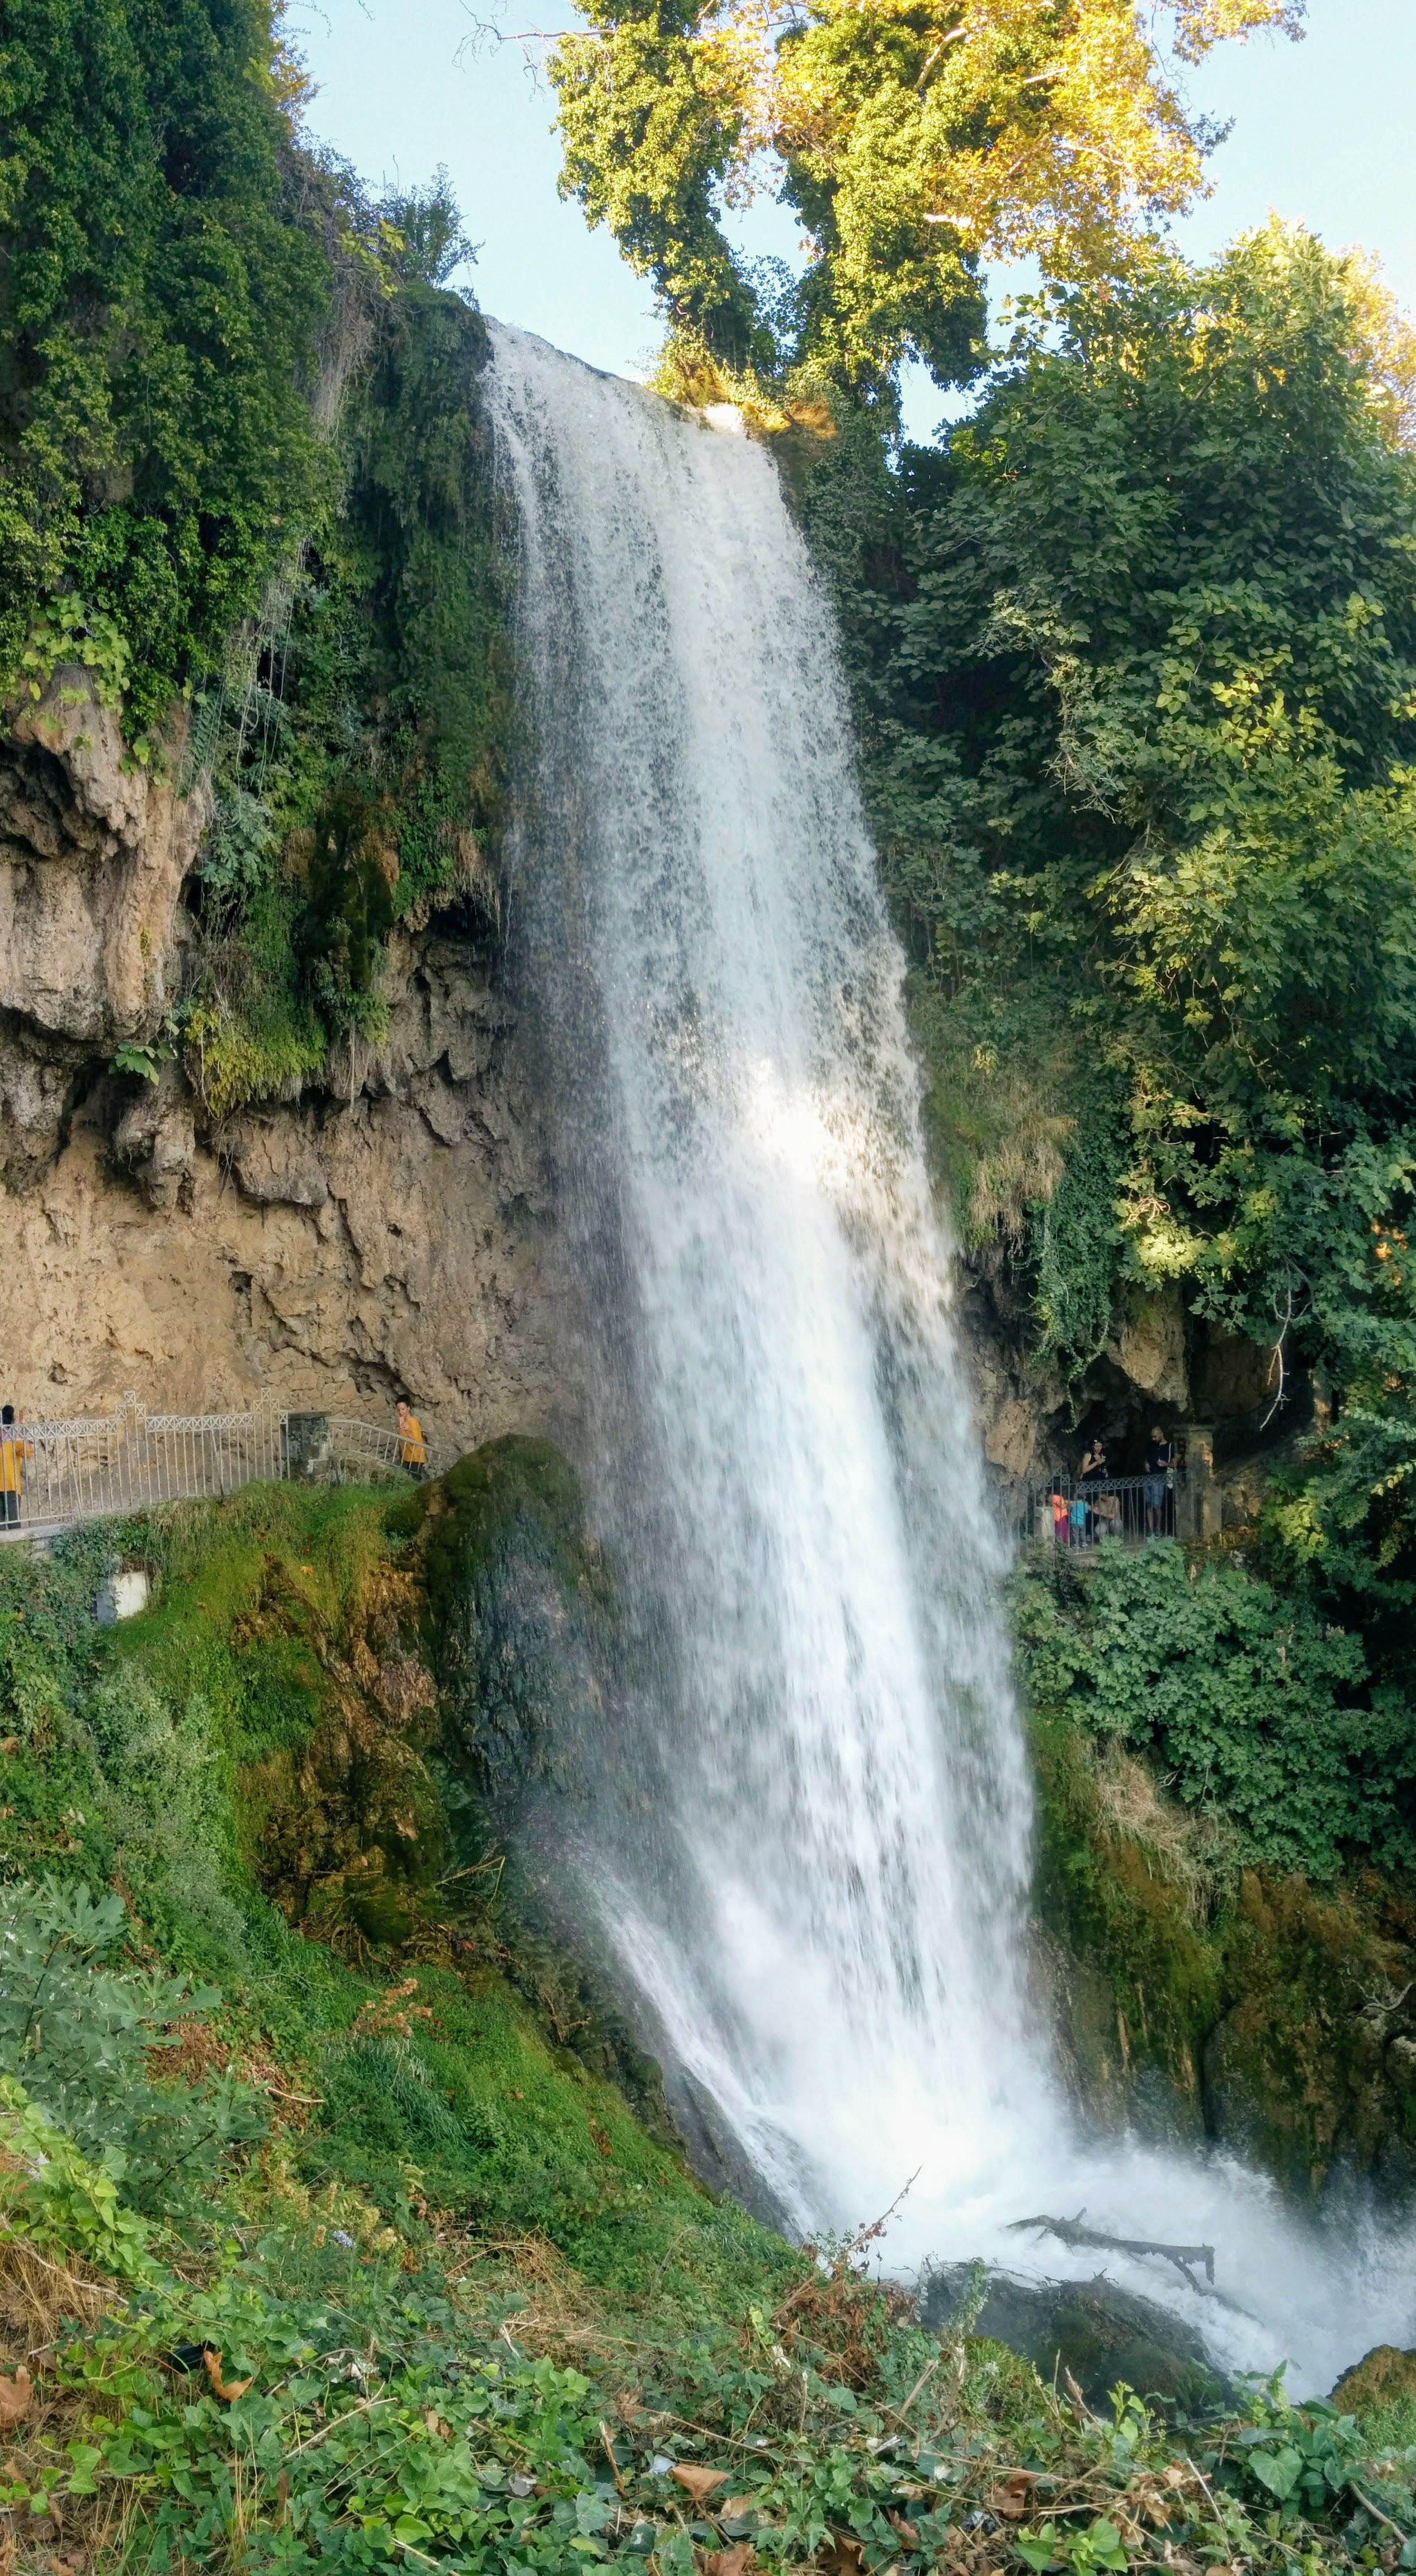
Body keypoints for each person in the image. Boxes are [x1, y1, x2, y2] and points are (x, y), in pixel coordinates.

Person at [0, 1406, 32, 1528]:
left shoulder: (14, 1441)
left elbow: (28, 1453)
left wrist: (22, 1431)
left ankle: (16, 1545)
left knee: (13, 1522)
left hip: (12, 1487)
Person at [1144, 1423, 1175, 1536]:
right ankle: (1151, 1531)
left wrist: (1165, 1464)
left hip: (1160, 1478)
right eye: (1152, 1437)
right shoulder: (1151, 1445)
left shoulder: (1170, 1446)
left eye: (1155, 1436)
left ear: (1161, 1434)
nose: (1154, 1439)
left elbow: (1174, 1464)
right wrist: (1146, 1463)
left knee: (1157, 1506)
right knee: (1149, 1505)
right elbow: (1146, 1458)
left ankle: (1158, 1529)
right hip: (1148, 1478)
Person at [396, 1399, 428, 1478]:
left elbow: (415, 1441)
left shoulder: (412, 1422)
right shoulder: (403, 1423)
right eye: (399, 1410)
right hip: (407, 1457)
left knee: (414, 1481)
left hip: (415, 1458)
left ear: (409, 1408)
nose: (401, 1412)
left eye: (403, 1409)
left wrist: (407, 1431)